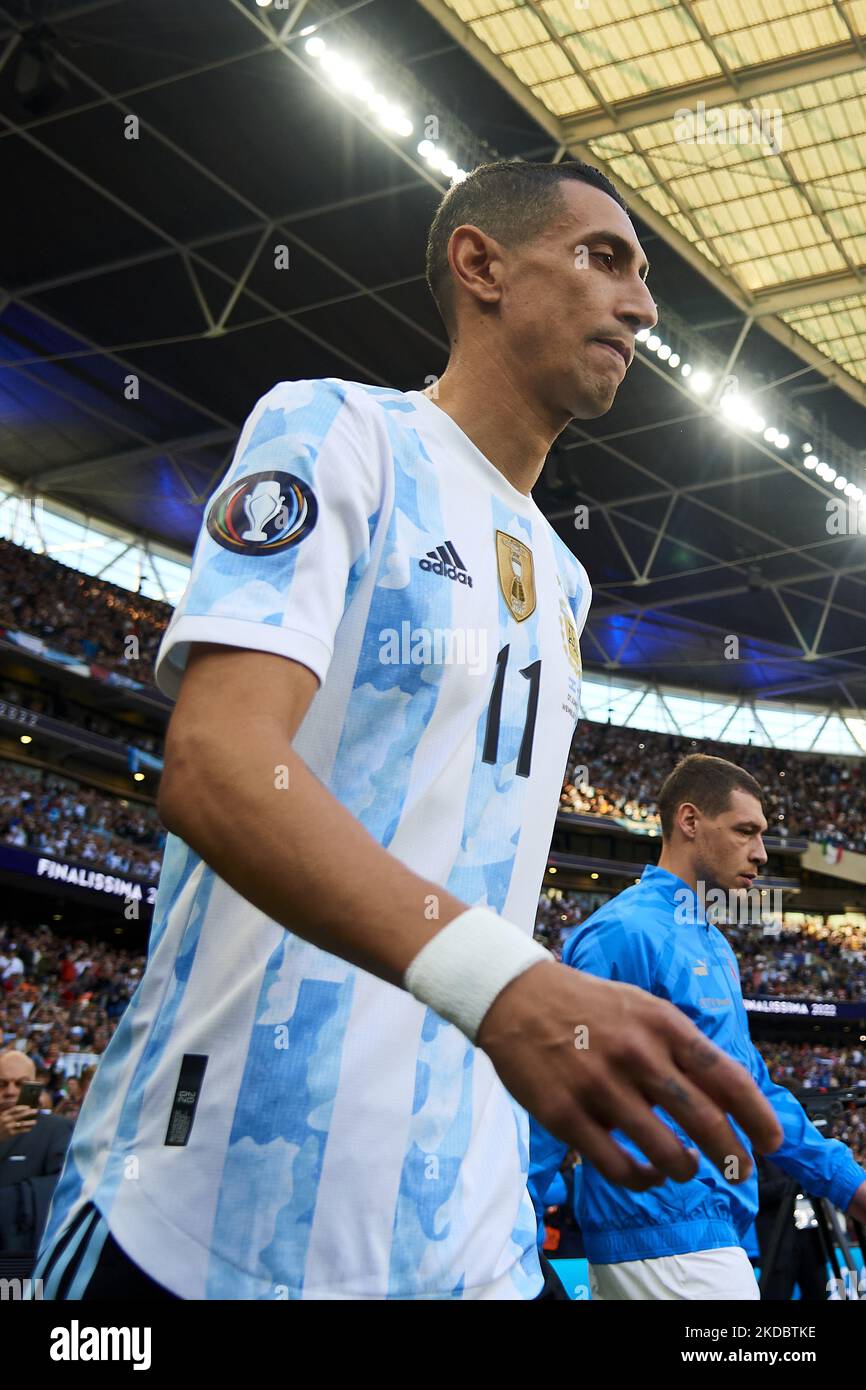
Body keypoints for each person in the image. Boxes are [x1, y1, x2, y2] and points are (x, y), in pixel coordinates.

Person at [36, 160, 780, 1301]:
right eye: (603, 258)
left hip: (462, 1248)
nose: (640, 303)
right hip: (209, 1222)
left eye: (645, 278)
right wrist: (502, 983)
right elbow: (217, 760)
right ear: (478, 263)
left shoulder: (570, 586)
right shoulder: (337, 430)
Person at [529, 754, 866, 1300]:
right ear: (689, 822)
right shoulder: (625, 932)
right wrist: (514, 1210)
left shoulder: (714, 944)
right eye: (746, 831)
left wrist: (847, 1182)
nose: (760, 852)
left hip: (705, 1228)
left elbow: (752, 1088)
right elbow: (562, 1076)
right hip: (664, 1232)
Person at [0, 1050, 72, 1270]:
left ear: (35, 1087)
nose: (10, 1092)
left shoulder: (58, 1130)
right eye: (2, 1084)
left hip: (27, 1259)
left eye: (21, 1084)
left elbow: (64, 1191)